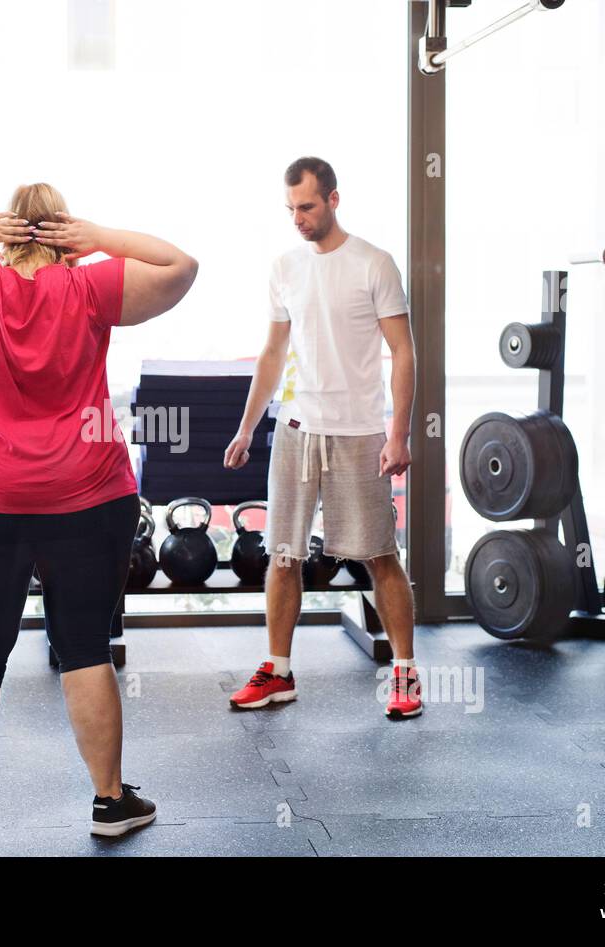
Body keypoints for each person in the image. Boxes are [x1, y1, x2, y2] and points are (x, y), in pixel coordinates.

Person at [0, 183, 198, 836]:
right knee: (84, 648)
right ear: (63, 235)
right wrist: (99, 238)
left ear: (9, 233)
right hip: (87, 500)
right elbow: (181, 267)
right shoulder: (91, 288)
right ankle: (109, 801)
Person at [223, 157, 421, 719]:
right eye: (290, 209)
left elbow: (403, 351)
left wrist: (398, 433)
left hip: (358, 433)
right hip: (295, 428)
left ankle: (405, 674)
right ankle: (278, 672)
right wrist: (245, 427)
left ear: (334, 200)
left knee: (380, 556)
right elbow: (272, 353)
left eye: (306, 207)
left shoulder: (373, 264)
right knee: (282, 554)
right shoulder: (285, 266)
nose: (298, 219)